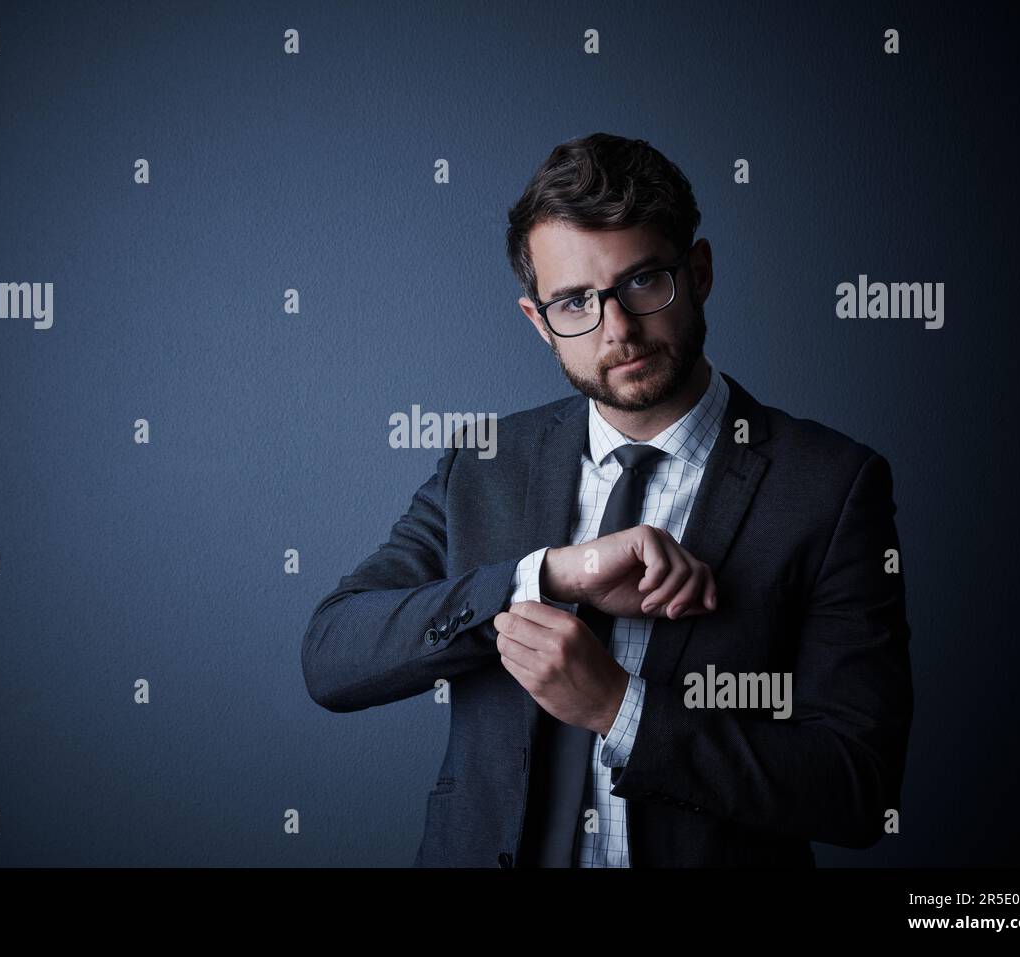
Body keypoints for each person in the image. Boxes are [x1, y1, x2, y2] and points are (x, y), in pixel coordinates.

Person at [301, 132, 914, 867]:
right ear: (538, 320)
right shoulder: (484, 466)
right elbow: (333, 655)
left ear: (700, 270)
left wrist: (620, 708)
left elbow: (857, 787)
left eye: (643, 282)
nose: (617, 329)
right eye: (574, 302)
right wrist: (548, 576)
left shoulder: (831, 486)